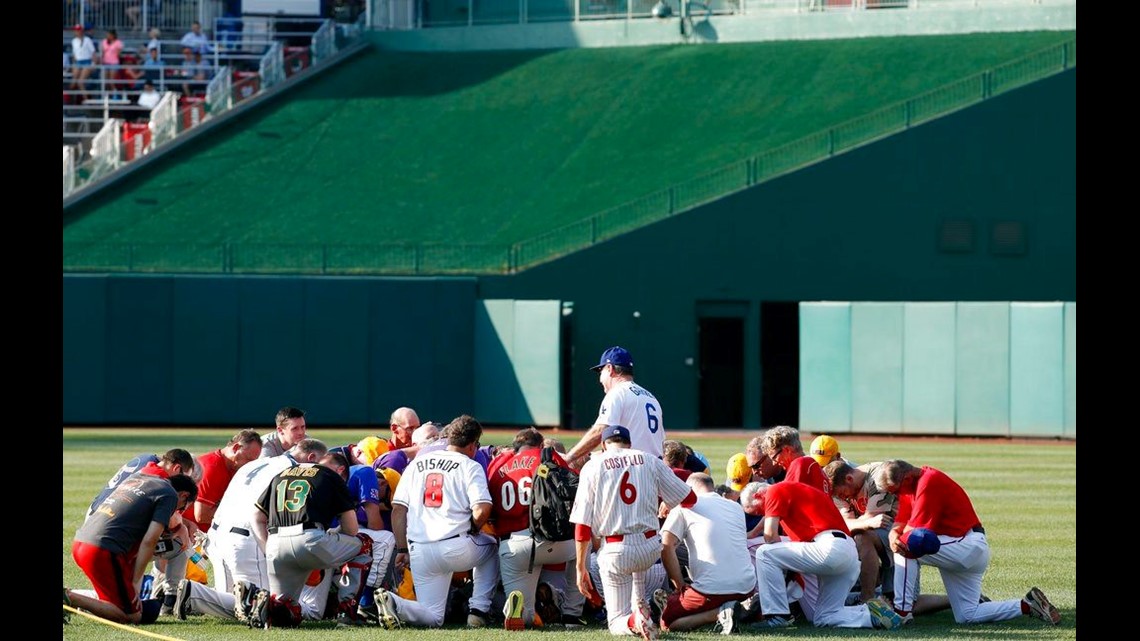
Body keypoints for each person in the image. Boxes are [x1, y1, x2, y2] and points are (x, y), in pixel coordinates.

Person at [873, 459, 1062, 626]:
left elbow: (917, 532)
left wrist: (897, 540)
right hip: (962, 550)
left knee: (906, 548)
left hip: (966, 545)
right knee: (967, 615)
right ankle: (1028, 605)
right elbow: (901, 521)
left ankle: (902, 613)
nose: (895, 496)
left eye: (895, 491)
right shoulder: (910, 487)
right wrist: (892, 535)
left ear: (906, 478)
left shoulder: (929, 482)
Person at [172, 439, 329, 623]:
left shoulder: (259, 463)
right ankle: (195, 594)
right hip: (246, 540)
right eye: (319, 465)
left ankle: (195, 595)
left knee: (233, 605)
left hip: (216, 536)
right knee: (269, 608)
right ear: (311, 457)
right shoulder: (291, 472)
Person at [369, 414, 501, 629]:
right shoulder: (469, 465)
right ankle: (478, 610)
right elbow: (482, 508)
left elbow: (398, 510)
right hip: (456, 545)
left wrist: (402, 547)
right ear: (472, 444)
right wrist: (474, 528)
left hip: (420, 549)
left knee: (432, 616)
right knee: (493, 547)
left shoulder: (417, 464)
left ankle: (395, 603)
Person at [569, 424, 697, 640]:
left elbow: (582, 525)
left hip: (616, 550)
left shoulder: (593, 466)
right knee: (638, 585)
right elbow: (690, 499)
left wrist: (580, 567)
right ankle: (643, 608)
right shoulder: (649, 459)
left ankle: (634, 620)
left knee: (616, 621)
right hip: (650, 549)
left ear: (603, 445)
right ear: (629, 444)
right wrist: (667, 503)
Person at [739, 480, 903, 630]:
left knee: (764, 553)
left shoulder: (775, 489)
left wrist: (780, 574)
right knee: (825, 616)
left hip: (830, 547)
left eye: (758, 510)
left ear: (758, 495)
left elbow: (770, 537)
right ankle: (872, 614)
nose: (762, 514)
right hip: (847, 553)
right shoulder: (795, 497)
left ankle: (777, 617)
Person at [250, 452, 376, 628]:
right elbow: (352, 530)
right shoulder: (331, 476)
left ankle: (254, 601)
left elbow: (256, 517)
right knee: (364, 543)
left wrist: (267, 549)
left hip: (276, 544)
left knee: (285, 612)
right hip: (311, 539)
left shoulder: (281, 475)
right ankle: (347, 612)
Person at [67, 474, 199, 624]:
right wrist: (135, 581)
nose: (178, 511)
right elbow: (149, 541)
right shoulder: (169, 494)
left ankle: (73, 598)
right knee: (131, 616)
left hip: (81, 542)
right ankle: (69, 597)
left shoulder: (140, 479)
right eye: (181, 508)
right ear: (184, 495)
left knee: (115, 600)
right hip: (103, 550)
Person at [487, 427, 577, 630]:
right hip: (552, 542)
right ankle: (573, 612)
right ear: (540, 444)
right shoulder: (547, 456)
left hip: (513, 545)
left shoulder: (499, 464)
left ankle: (517, 611)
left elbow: (489, 501)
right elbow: (571, 484)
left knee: (526, 615)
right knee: (583, 548)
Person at [657, 473, 756, 634]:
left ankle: (718, 613)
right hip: (747, 586)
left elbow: (666, 546)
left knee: (667, 623)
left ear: (689, 489)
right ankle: (742, 608)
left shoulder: (684, 507)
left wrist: (680, 586)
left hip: (711, 590)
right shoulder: (735, 506)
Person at [565, 346, 665, 467]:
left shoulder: (617, 393)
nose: (600, 378)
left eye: (601, 371)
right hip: (656, 468)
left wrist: (569, 457)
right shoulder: (650, 397)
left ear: (609, 368)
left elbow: (600, 431)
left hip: (635, 469)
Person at [182, 429, 262, 533]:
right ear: (236, 448)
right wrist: (243, 515)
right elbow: (202, 515)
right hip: (192, 536)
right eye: (248, 459)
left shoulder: (232, 467)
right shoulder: (213, 467)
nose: (250, 465)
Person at [761, 426, 828, 492]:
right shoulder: (810, 463)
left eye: (774, 457)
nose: (774, 463)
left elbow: (787, 498)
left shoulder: (799, 465)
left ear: (787, 450)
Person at [70, 24, 97, 101]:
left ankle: (87, 99)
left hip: (87, 62)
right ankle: (71, 101)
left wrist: (93, 64)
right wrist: (73, 64)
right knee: (73, 82)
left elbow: (93, 53)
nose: (77, 32)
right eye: (76, 30)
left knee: (80, 82)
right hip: (78, 62)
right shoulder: (74, 41)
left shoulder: (87, 40)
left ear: (82, 31)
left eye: (78, 30)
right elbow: (75, 54)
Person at [100, 29, 124, 99]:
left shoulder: (118, 42)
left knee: (111, 80)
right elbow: (103, 52)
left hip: (114, 63)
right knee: (105, 81)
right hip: (105, 62)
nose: (108, 36)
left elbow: (119, 54)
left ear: (113, 35)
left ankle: (115, 95)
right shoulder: (104, 42)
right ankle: (106, 96)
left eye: (109, 35)